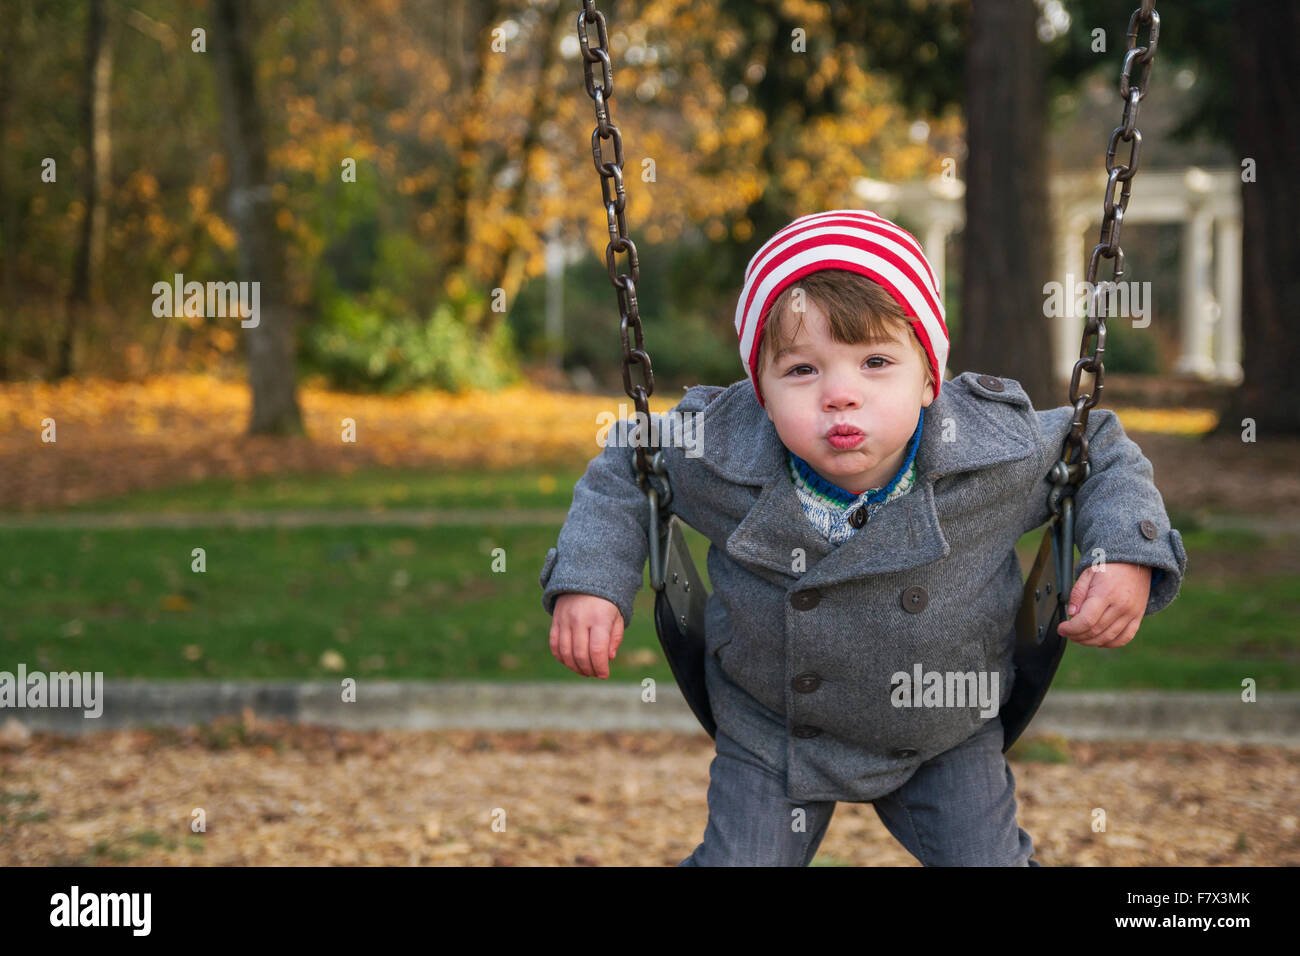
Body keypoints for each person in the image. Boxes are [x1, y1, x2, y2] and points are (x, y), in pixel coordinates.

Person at [540, 209, 1187, 866]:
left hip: (943, 729)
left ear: (930, 378)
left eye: (876, 361)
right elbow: (632, 459)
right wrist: (591, 578)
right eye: (802, 370)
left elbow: (1097, 449)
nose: (840, 394)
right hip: (774, 729)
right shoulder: (721, 452)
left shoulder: (990, 454)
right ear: (759, 391)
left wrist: (1123, 554)